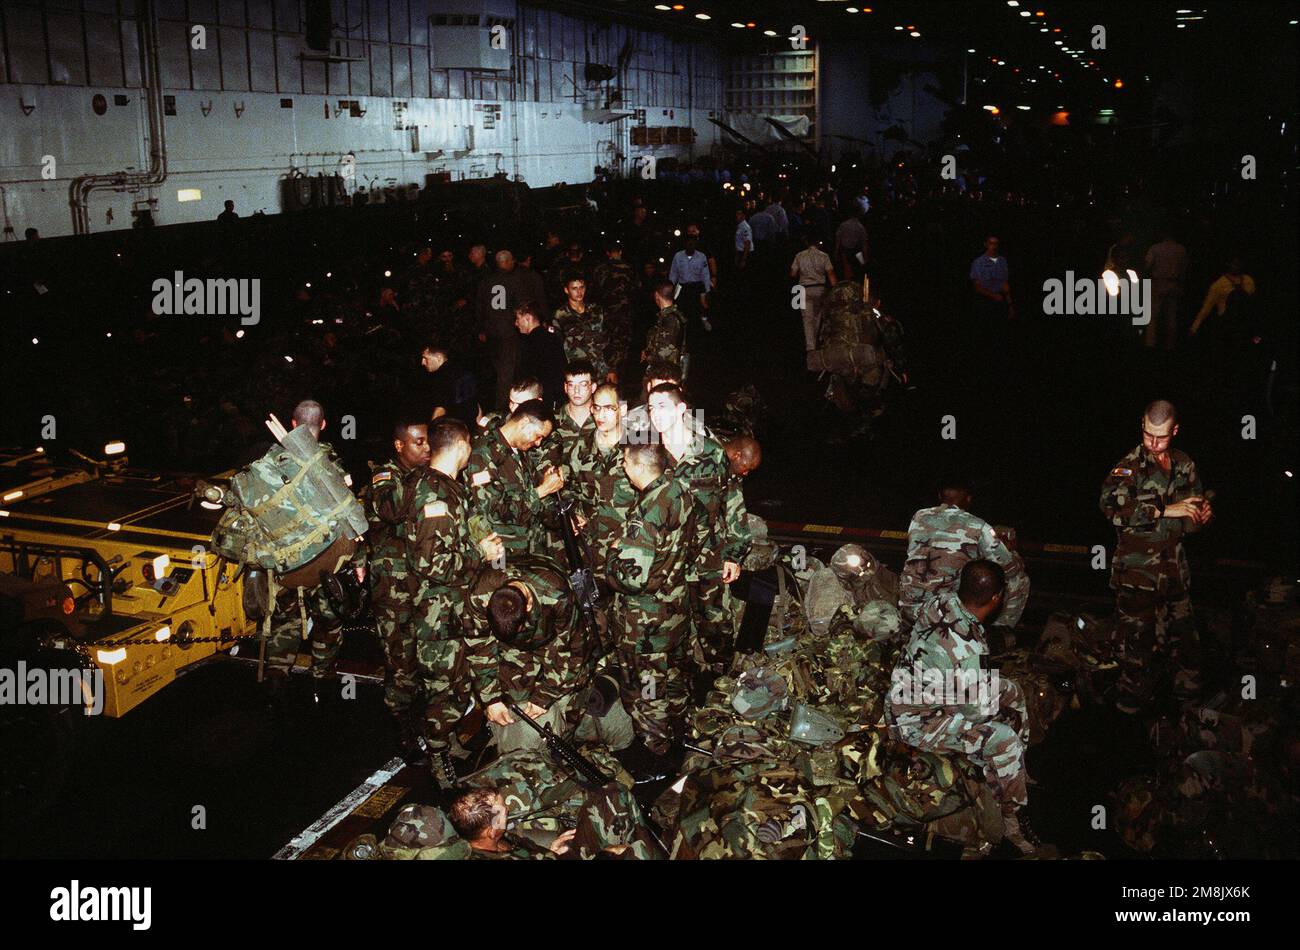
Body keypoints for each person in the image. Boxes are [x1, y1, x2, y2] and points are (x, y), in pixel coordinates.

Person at [887, 560, 1052, 857]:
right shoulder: (971, 649)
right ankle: (1013, 820)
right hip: (915, 722)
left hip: (926, 687)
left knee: (1012, 690)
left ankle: (1017, 772)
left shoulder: (941, 602)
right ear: (996, 598)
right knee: (1003, 739)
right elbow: (977, 712)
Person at [408, 419, 504, 787]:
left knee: (459, 682)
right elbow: (431, 563)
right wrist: (479, 553)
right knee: (442, 687)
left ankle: (445, 740)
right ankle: (436, 753)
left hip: (455, 604)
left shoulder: (449, 487)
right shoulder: (433, 495)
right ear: (462, 445)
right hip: (438, 611)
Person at [1099, 400, 1211, 715]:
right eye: (1149, 435)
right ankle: (1128, 714)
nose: (1154, 443)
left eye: (1161, 437)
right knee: (1135, 652)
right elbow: (1113, 508)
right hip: (1137, 576)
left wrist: (1203, 515)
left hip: (1174, 572)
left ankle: (1188, 712)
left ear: (1175, 431)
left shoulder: (1185, 465)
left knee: (1186, 647)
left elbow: (1191, 521)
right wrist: (1164, 509)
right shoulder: (1129, 466)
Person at [261, 400, 361, 701]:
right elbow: (349, 517)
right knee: (328, 620)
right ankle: (322, 683)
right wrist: (359, 560)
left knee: (285, 619)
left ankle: (277, 679)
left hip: (286, 562)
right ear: (325, 425)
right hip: (325, 560)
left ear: (292, 424)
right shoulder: (331, 464)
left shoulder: (272, 460)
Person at [648, 384, 751, 676]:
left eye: (663, 406)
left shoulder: (711, 452)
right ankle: (681, 682)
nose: (655, 415)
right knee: (668, 626)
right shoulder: (647, 453)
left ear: (681, 410)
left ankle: (721, 678)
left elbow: (733, 503)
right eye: (651, 407)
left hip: (708, 556)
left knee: (715, 623)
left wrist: (735, 553)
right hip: (665, 561)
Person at [605, 441, 695, 761]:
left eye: (627, 463)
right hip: (674, 608)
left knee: (648, 688)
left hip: (646, 622)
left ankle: (658, 753)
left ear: (642, 467)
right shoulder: (678, 491)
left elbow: (632, 578)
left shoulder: (646, 512)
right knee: (673, 677)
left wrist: (613, 554)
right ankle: (683, 728)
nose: (624, 469)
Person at [364, 417, 432, 763]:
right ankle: (402, 730)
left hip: (422, 581)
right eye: (418, 442)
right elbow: (390, 509)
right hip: (393, 586)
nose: (426, 448)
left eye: (428, 441)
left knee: (425, 654)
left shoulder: (424, 474)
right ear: (399, 445)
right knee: (400, 658)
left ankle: (422, 718)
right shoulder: (385, 476)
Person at [898, 472, 1029, 640]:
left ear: (941, 496)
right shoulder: (978, 526)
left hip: (909, 608)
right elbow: (1010, 568)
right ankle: (998, 635)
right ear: (968, 499)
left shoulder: (918, 516)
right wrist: (1011, 550)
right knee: (1020, 580)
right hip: (942, 614)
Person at [465, 400, 563, 558]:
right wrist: (541, 491)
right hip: (502, 554)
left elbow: (534, 504)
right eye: (538, 436)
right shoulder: (484, 453)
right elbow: (492, 511)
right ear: (524, 423)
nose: (538, 443)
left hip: (530, 549)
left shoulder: (521, 452)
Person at [554, 274, 611, 382]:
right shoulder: (560, 315)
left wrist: (612, 368)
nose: (579, 292)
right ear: (566, 290)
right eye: (574, 288)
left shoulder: (596, 310)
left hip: (601, 369)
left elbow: (608, 338)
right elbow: (557, 346)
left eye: (582, 287)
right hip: (577, 371)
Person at [790, 231, 837, 354]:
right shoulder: (824, 256)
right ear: (818, 243)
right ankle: (815, 340)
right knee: (818, 316)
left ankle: (810, 346)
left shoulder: (799, 256)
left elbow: (793, 273)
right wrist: (835, 288)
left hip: (803, 289)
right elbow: (831, 274)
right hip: (820, 288)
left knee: (807, 318)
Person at [514, 301, 567, 408]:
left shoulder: (530, 344)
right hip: (556, 400)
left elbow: (528, 377)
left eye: (518, 319)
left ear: (528, 318)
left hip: (540, 402)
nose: (516, 323)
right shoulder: (553, 338)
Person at [1143, 228, 1188, 350]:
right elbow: (1184, 269)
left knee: (1152, 317)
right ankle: (1170, 346)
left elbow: (1147, 265)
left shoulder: (1155, 248)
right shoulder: (1181, 249)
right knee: (1171, 317)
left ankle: (1150, 344)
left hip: (1158, 283)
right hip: (1174, 284)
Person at [419, 342, 477, 423]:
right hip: (469, 427)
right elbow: (474, 402)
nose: (422, 362)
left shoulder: (441, 377)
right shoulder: (462, 370)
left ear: (439, 358)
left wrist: (431, 432)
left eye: (425, 358)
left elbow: (440, 409)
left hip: (452, 429)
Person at [668, 234, 713, 333]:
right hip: (682, 286)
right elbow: (673, 273)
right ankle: (680, 327)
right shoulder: (678, 256)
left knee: (702, 307)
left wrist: (707, 290)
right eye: (688, 242)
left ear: (695, 244)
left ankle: (703, 321)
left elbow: (705, 274)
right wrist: (670, 288)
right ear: (685, 244)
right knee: (680, 308)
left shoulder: (701, 256)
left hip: (697, 286)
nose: (690, 244)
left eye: (693, 242)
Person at [642, 281, 687, 377]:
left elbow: (665, 351)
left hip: (664, 374)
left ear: (657, 295)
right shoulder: (670, 316)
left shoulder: (670, 319)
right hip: (666, 371)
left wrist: (648, 357)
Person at [969, 235, 1012, 322]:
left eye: (996, 243)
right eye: (991, 243)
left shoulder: (1002, 261)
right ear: (986, 244)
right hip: (985, 303)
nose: (994, 246)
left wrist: (1010, 306)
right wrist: (994, 296)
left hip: (1000, 302)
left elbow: (1005, 285)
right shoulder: (979, 262)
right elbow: (977, 287)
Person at [833, 210, 867, 282]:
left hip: (845, 251)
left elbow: (838, 239)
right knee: (858, 269)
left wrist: (836, 251)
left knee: (847, 270)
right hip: (857, 252)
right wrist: (865, 257)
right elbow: (864, 243)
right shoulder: (860, 227)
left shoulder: (843, 225)